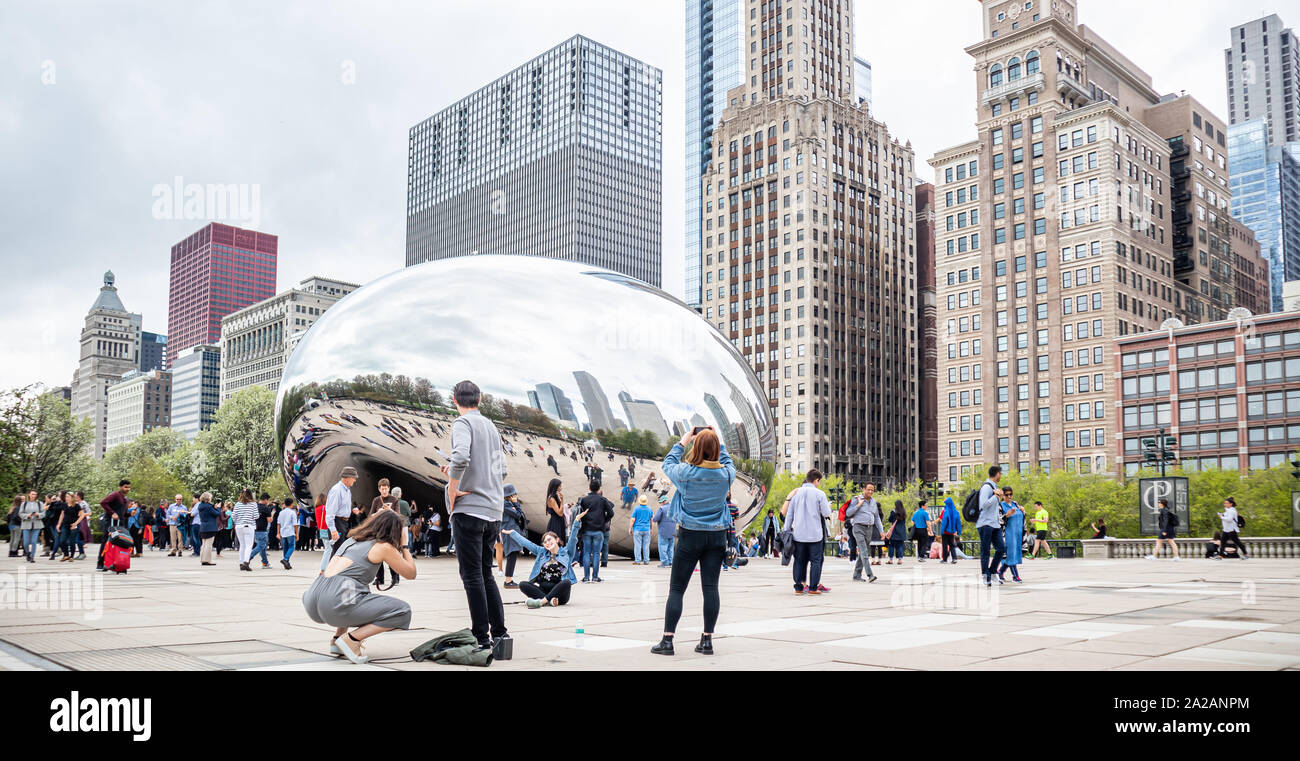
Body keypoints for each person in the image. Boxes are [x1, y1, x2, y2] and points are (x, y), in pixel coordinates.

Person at [650, 427, 735, 657]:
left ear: (695, 447)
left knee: (677, 589)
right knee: (711, 588)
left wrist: (683, 441)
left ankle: (668, 641)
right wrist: (717, 441)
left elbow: (668, 463)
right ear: (716, 449)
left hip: (690, 535)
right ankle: (707, 641)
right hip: (716, 536)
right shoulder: (726, 475)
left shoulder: (685, 473)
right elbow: (728, 461)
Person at [441, 380, 511, 657]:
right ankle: (500, 634)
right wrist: (463, 472)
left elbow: (460, 457)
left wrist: (453, 487)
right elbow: (501, 470)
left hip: (469, 509)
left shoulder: (462, 423)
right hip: (493, 511)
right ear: (479, 399)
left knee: (471, 576)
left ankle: (481, 638)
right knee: (486, 574)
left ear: (454, 400)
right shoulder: (491, 427)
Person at [302, 510, 416, 665]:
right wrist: (405, 545)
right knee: (402, 611)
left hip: (313, 597)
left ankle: (337, 640)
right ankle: (352, 639)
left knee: (355, 590)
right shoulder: (383, 547)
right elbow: (410, 573)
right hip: (334, 603)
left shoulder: (351, 540)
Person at [503, 519, 585, 609]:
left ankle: (542, 601)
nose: (547, 543)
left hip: (560, 594)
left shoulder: (566, 552)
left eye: (549, 540)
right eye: (545, 542)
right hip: (543, 591)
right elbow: (527, 543)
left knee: (566, 582)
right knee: (523, 584)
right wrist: (513, 533)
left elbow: (573, 539)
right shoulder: (541, 552)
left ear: (557, 540)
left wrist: (576, 522)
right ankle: (550, 601)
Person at [782, 470, 831, 595]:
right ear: (816, 480)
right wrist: (828, 508)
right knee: (815, 561)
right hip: (815, 535)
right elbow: (826, 513)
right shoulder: (820, 494)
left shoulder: (796, 494)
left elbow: (789, 515)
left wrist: (786, 530)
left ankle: (798, 587)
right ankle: (813, 588)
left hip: (799, 534)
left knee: (799, 560)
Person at [576, 480, 614, 582]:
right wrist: (603, 521)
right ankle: (595, 577)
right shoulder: (602, 499)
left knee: (587, 553)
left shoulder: (584, 500)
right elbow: (611, 513)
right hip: (599, 530)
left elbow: (580, 513)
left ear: (589, 488)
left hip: (586, 529)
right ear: (599, 489)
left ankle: (586, 577)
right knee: (597, 553)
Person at [976, 466, 1005, 587]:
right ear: (997, 474)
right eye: (1000, 474)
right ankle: (985, 575)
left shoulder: (994, 487)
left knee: (1001, 548)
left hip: (995, 524)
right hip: (985, 523)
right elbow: (982, 505)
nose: (1001, 476)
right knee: (985, 550)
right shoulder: (987, 487)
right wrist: (995, 496)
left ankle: (992, 572)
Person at [845, 483, 880, 583]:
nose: (870, 492)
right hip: (858, 528)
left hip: (869, 529)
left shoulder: (873, 502)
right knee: (864, 551)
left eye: (872, 490)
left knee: (863, 552)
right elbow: (848, 513)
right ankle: (870, 575)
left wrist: (881, 531)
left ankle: (857, 575)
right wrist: (858, 505)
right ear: (864, 489)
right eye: (868, 489)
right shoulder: (856, 499)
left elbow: (877, 517)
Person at [95, 480, 131, 571]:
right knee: (107, 541)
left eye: (129, 487)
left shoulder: (125, 499)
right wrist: (112, 513)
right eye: (125, 487)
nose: (127, 489)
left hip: (120, 523)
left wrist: (130, 514)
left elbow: (123, 514)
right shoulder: (115, 495)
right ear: (120, 487)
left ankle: (116, 562)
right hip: (110, 522)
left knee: (119, 542)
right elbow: (103, 502)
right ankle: (101, 562)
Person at [326, 466, 359, 556]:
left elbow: (341, 507)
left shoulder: (347, 490)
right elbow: (330, 512)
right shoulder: (337, 490)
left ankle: (332, 566)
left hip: (344, 523)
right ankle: (332, 566)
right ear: (347, 478)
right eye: (354, 478)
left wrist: (351, 510)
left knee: (341, 552)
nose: (355, 480)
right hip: (337, 523)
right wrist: (333, 530)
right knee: (338, 553)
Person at [499, 484, 527, 588]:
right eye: (514, 494)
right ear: (510, 495)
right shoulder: (506, 504)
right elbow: (518, 515)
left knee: (513, 554)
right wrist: (516, 504)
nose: (515, 496)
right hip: (509, 532)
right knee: (512, 554)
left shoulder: (508, 504)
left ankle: (509, 579)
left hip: (511, 531)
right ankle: (508, 581)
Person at [998, 494, 1025, 583]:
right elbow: (998, 520)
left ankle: (1000, 572)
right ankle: (1015, 576)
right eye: (1007, 495)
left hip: (1017, 534)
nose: (1009, 496)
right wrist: (1007, 515)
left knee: (1012, 556)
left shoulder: (1015, 504)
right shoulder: (1000, 506)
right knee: (1010, 555)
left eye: (1011, 494)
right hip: (1006, 534)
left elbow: (1021, 518)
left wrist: (1023, 511)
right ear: (1003, 495)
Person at [233, 490, 259, 572]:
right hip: (249, 526)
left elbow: (233, 516)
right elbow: (256, 516)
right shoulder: (253, 504)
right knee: (248, 546)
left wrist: (238, 522)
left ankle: (241, 563)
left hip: (239, 526)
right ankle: (246, 562)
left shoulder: (238, 504)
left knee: (242, 545)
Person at [196, 493, 221, 566]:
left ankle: (202, 559)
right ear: (208, 498)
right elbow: (217, 514)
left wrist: (214, 507)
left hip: (203, 526)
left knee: (204, 544)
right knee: (209, 544)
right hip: (210, 527)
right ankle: (207, 560)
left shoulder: (200, 506)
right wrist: (218, 508)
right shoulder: (209, 506)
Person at [18, 491, 43, 563]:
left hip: (37, 524)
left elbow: (43, 514)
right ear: (29, 494)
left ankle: (32, 556)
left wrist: (38, 515)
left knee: (34, 541)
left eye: (35, 494)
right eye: (32, 494)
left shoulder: (39, 503)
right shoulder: (24, 503)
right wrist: (27, 516)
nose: (34, 496)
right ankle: (27, 553)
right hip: (26, 524)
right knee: (26, 542)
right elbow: (20, 513)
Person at [651, 493, 676, 567]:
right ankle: (671, 562)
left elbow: (655, 519)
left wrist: (653, 516)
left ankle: (664, 562)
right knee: (670, 548)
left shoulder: (662, 509)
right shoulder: (674, 508)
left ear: (664, 501)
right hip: (673, 531)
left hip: (663, 531)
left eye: (661, 502)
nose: (660, 504)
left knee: (662, 547)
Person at [630, 494, 653, 565]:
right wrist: (651, 528)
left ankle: (637, 561)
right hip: (647, 529)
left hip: (637, 529)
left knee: (637, 545)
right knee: (646, 546)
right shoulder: (649, 509)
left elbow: (633, 519)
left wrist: (630, 528)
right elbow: (651, 520)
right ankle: (646, 561)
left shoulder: (636, 509)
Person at [938, 496, 962, 564]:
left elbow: (944, 522)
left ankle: (945, 559)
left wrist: (942, 531)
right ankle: (954, 558)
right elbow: (958, 522)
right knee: (952, 545)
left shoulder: (945, 511)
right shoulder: (956, 512)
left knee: (945, 546)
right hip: (952, 532)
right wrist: (959, 531)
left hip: (945, 532)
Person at [544, 478, 567, 544]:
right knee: (557, 543)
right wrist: (562, 500)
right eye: (560, 486)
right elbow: (560, 513)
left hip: (558, 521)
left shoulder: (555, 496)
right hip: (556, 523)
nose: (561, 488)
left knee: (560, 542)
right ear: (555, 487)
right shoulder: (552, 499)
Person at [278, 498, 298, 569]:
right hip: (290, 532)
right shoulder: (292, 512)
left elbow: (278, 523)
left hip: (283, 532)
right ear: (291, 504)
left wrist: (278, 533)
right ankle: (285, 559)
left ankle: (287, 564)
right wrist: (297, 533)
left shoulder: (281, 512)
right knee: (292, 547)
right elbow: (295, 524)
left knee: (285, 548)